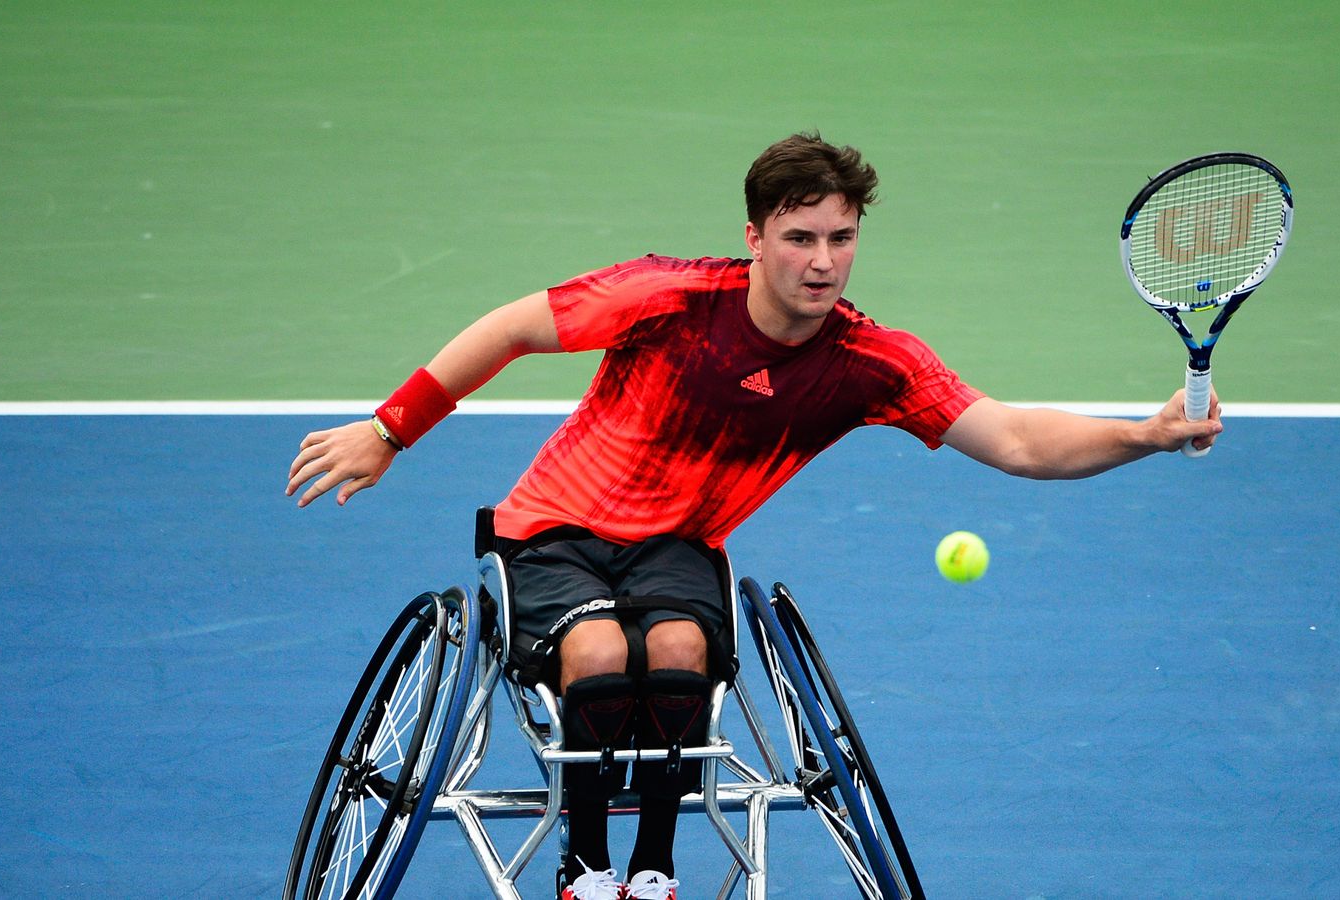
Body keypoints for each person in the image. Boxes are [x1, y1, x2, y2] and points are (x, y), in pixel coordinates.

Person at [287, 132, 1221, 900]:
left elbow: (1013, 440)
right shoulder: (670, 298)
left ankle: (652, 872)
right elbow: (513, 327)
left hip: (680, 548)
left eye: (841, 239)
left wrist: (1143, 435)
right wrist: (389, 428)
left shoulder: (870, 362)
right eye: (801, 237)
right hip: (553, 533)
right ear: (756, 236)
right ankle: (586, 869)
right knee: (604, 654)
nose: (823, 262)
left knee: (685, 655)